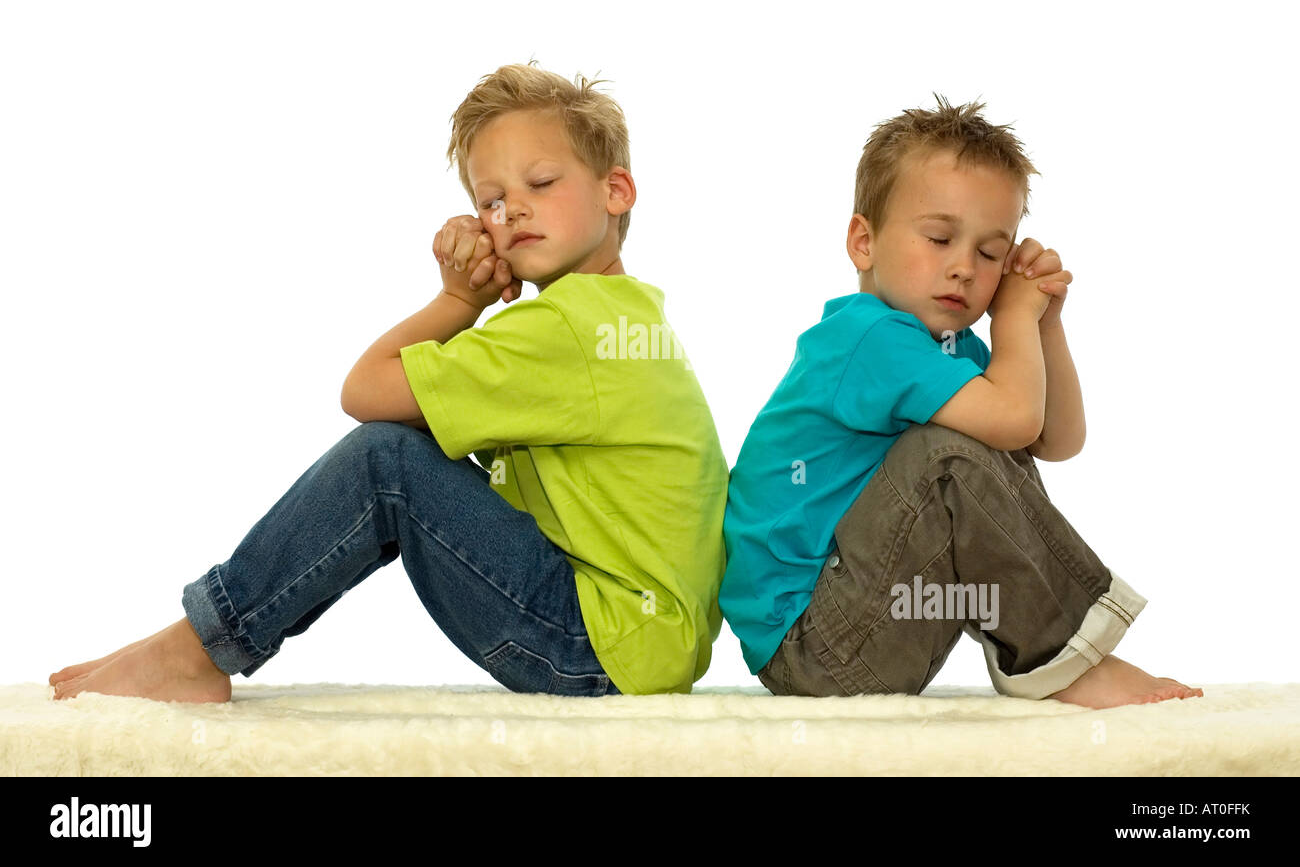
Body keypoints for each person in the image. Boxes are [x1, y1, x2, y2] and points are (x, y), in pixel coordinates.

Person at [50, 62, 728, 702]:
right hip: (642, 644)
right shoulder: (626, 315)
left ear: (616, 190)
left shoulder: (567, 328)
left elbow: (366, 392)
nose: (513, 210)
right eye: (492, 201)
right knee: (411, 455)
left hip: (591, 645)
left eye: (541, 183)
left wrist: (459, 301)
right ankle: (212, 638)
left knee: (386, 463)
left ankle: (201, 648)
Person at [720, 94, 1202, 709]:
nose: (963, 269)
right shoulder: (870, 337)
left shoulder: (947, 349)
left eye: (990, 253)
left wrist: (1043, 320)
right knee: (946, 452)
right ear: (863, 242)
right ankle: (1065, 662)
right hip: (815, 648)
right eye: (940, 237)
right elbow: (1016, 418)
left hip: (871, 628)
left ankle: (1057, 655)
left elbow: (1054, 439)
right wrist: (1014, 323)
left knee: (983, 438)